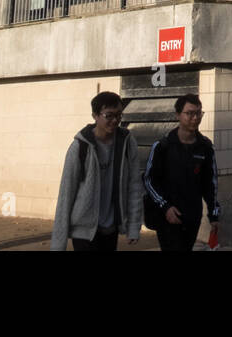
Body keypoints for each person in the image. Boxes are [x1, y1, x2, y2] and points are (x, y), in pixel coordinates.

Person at [51, 91, 143, 251]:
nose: (115, 121)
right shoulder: (80, 147)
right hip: (84, 231)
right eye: (109, 116)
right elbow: (66, 194)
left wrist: (134, 226)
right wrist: (58, 245)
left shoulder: (126, 142)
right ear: (95, 115)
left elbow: (134, 186)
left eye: (119, 116)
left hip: (111, 228)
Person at [143, 94, 220, 251]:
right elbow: (149, 180)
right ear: (178, 115)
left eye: (199, 113)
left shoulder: (205, 146)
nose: (195, 118)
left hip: (192, 216)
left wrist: (214, 214)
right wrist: (165, 207)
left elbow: (210, 184)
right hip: (168, 216)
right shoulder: (162, 146)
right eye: (190, 113)